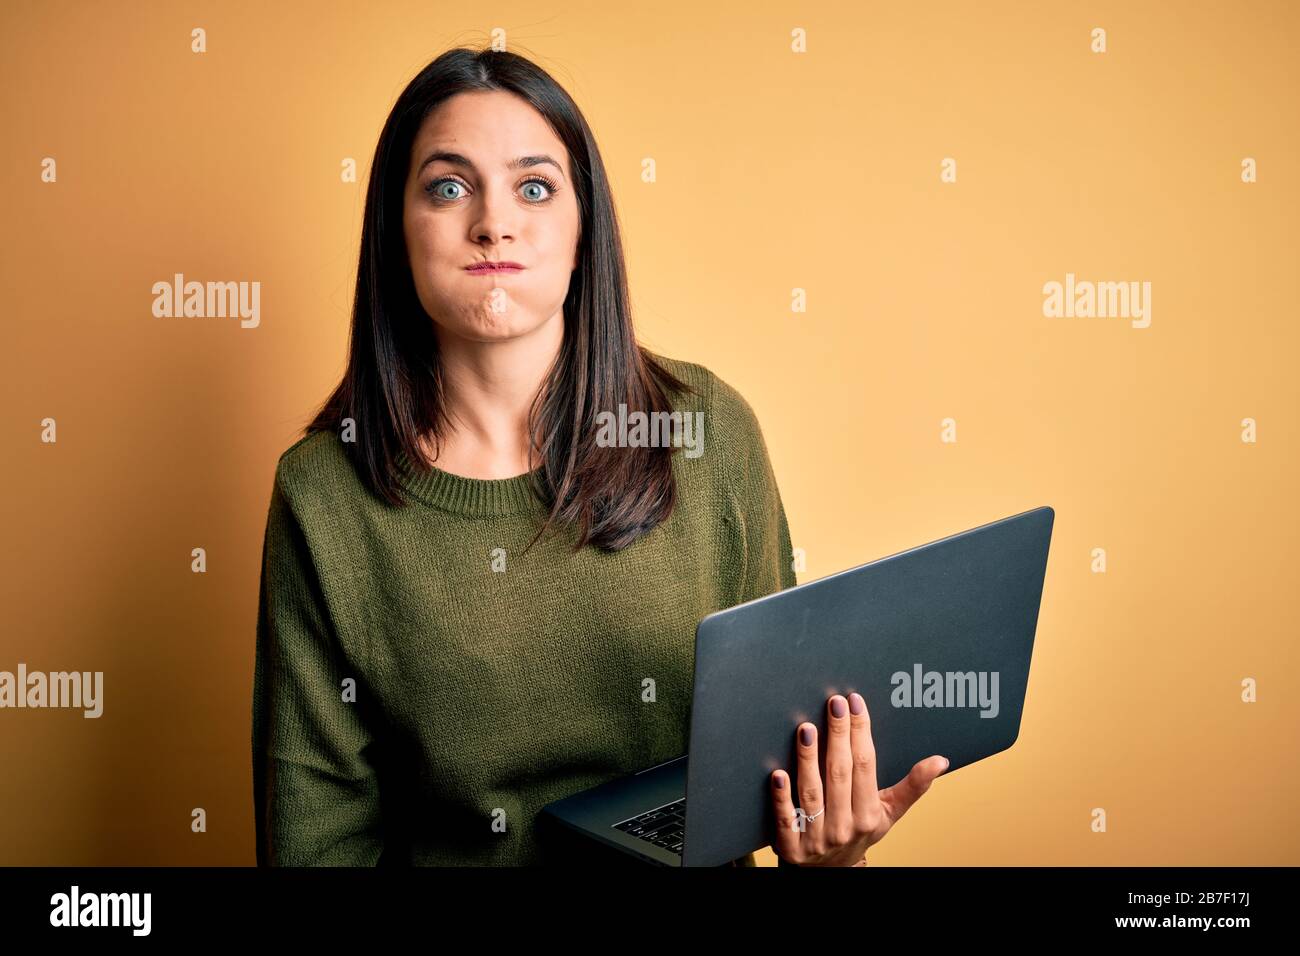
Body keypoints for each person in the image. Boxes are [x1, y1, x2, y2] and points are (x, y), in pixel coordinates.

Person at [252, 46, 945, 867]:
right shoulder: (323, 493)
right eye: (448, 186)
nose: (493, 222)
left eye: (534, 186)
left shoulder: (707, 431)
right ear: (396, 233)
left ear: (585, 230)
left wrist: (830, 855)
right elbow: (313, 839)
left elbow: (786, 767)